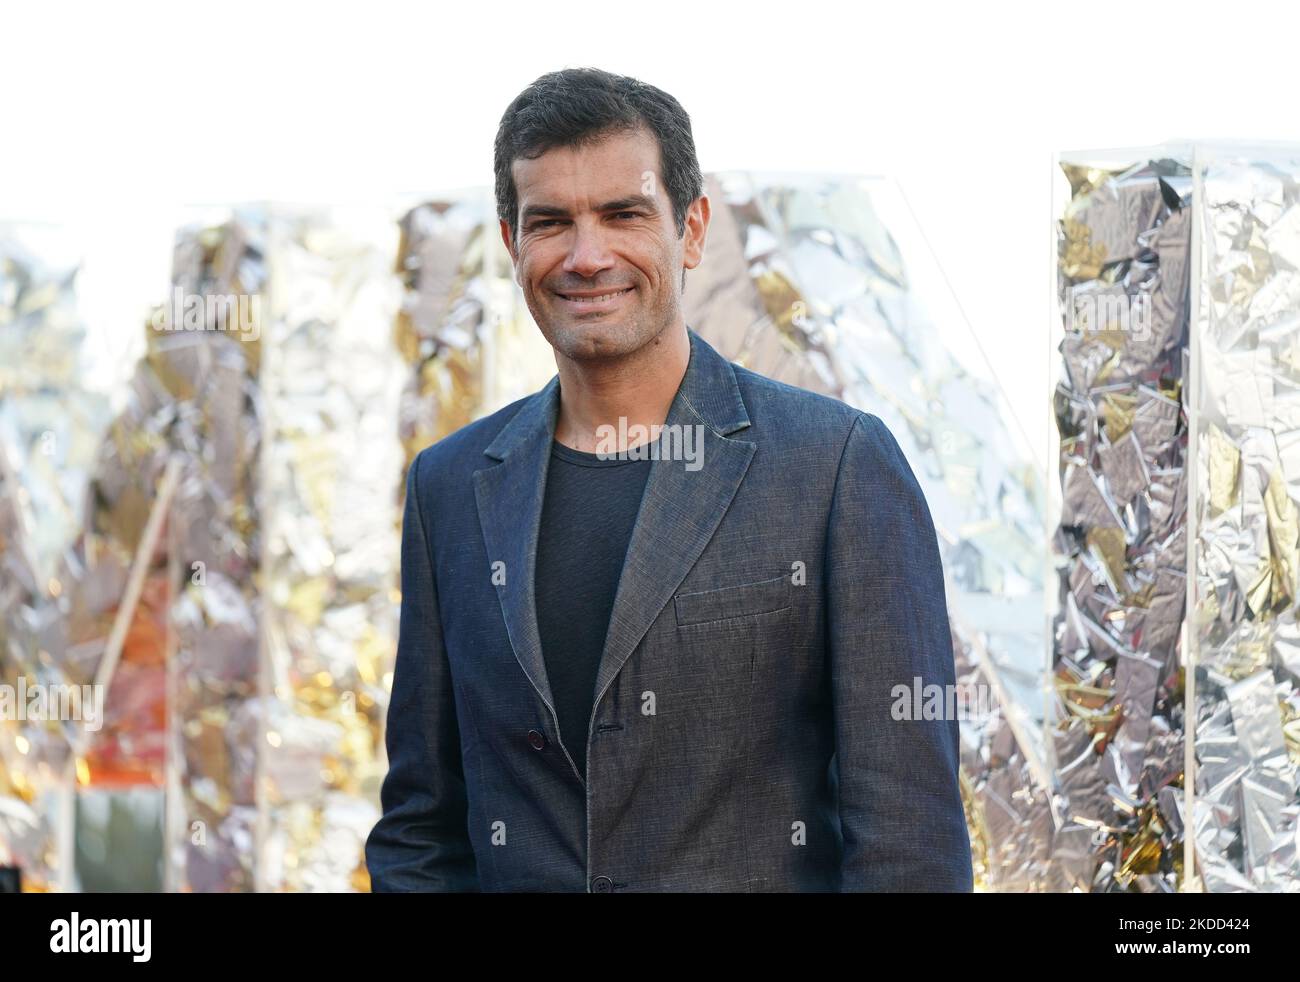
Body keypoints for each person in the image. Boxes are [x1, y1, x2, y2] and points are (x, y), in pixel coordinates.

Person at [365, 67, 973, 892]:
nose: (587, 256)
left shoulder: (836, 468)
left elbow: (908, 847)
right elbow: (421, 829)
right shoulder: (450, 487)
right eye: (552, 222)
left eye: (623, 214)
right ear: (512, 245)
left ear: (690, 231)